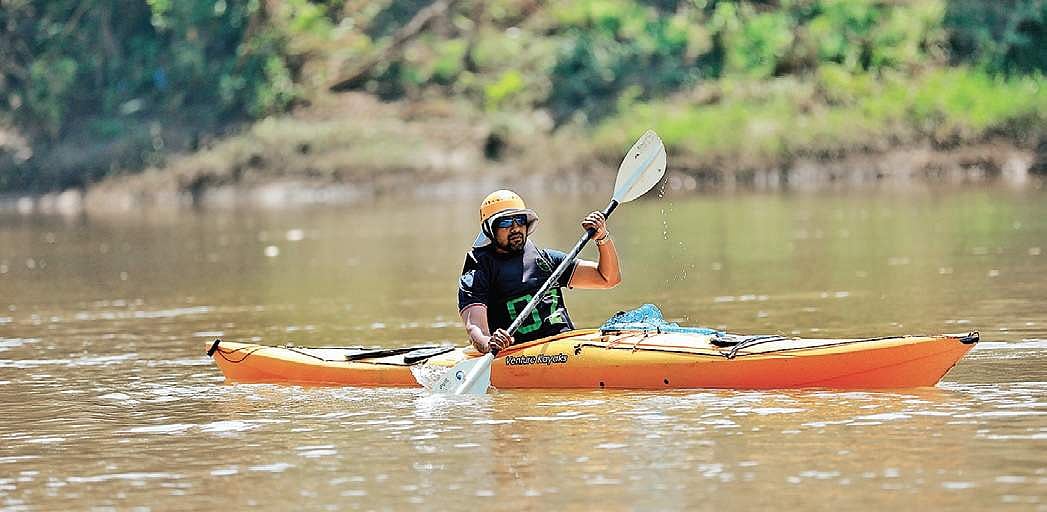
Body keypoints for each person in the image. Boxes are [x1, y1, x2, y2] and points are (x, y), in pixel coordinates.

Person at [458, 190, 621, 354]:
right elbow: (475, 329)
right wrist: (489, 343)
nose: (515, 228)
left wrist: (602, 238)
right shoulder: (478, 273)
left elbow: (608, 278)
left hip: (568, 348)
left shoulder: (548, 259)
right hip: (521, 356)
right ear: (489, 229)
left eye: (520, 220)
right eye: (506, 223)